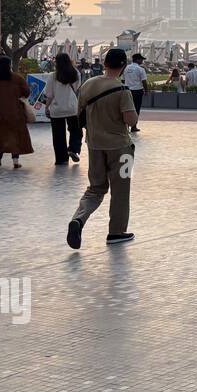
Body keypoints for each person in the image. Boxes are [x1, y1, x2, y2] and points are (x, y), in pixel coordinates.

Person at [67, 47, 139, 248]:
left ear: (104, 63)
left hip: (95, 145)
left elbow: (78, 112)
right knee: (121, 190)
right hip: (121, 148)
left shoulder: (88, 85)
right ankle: (116, 232)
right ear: (123, 66)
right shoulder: (122, 90)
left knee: (95, 188)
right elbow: (131, 120)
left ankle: (78, 219)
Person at [0, 56, 34, 168]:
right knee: (15, 135)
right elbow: (27, 92)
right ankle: (15, 161)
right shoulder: (17, 78)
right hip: (16, 112)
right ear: (9, 65)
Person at [43, 51, 83, 165]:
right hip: (72, 107)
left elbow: (49, 95)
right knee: (76, 130)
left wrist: (46, 107)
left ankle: (61, 159)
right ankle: (73, 149)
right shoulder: (75, 73)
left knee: (58, 135)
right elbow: (76, 88)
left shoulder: (53, 76)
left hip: (56, 109)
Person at [123, 53, 148, 133]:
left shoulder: (126, 68)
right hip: (137, 91)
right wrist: (146, 90)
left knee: (126, 108)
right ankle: (134, 126)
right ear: (137, 59)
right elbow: (144, 81)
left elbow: (123, 80)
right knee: (136, 108)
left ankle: (125, 126)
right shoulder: (140, 69)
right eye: (141, 59)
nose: (142, 61)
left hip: (127, 90)